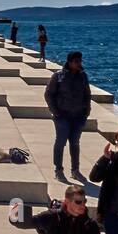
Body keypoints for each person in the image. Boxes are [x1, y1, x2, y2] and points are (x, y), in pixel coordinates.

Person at [45, 50, 92, 181]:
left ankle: (75, 170)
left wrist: (86, 110)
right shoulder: (58, 76)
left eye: (80, 61)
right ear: (70, 62)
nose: (79, 64)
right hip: (62, 115)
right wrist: (55, 111)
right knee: (60, 142)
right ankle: (58, 169)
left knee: (75, 143)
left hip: (78, 116)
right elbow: (49, 94)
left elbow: (87, 94)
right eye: (76, 61)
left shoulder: (83, 76)